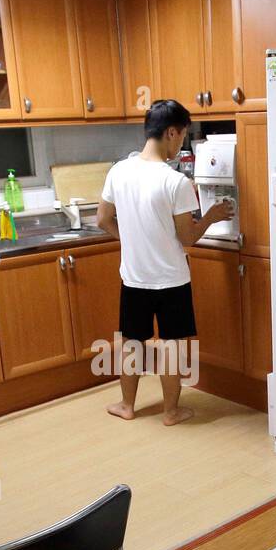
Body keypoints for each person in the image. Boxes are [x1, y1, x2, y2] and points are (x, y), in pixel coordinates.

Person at [95, 99, 234, 426]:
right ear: (171, 132)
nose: (180, 145)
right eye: (182, 137)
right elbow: (187, 238)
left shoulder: (119, 171)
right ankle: (171, 412)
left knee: (132, 343)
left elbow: (102, 219)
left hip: (134, 279)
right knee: (171, 345)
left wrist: (130, 241)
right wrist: (211, 217)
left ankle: (127, 406)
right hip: (172, 279)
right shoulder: (176, 182)